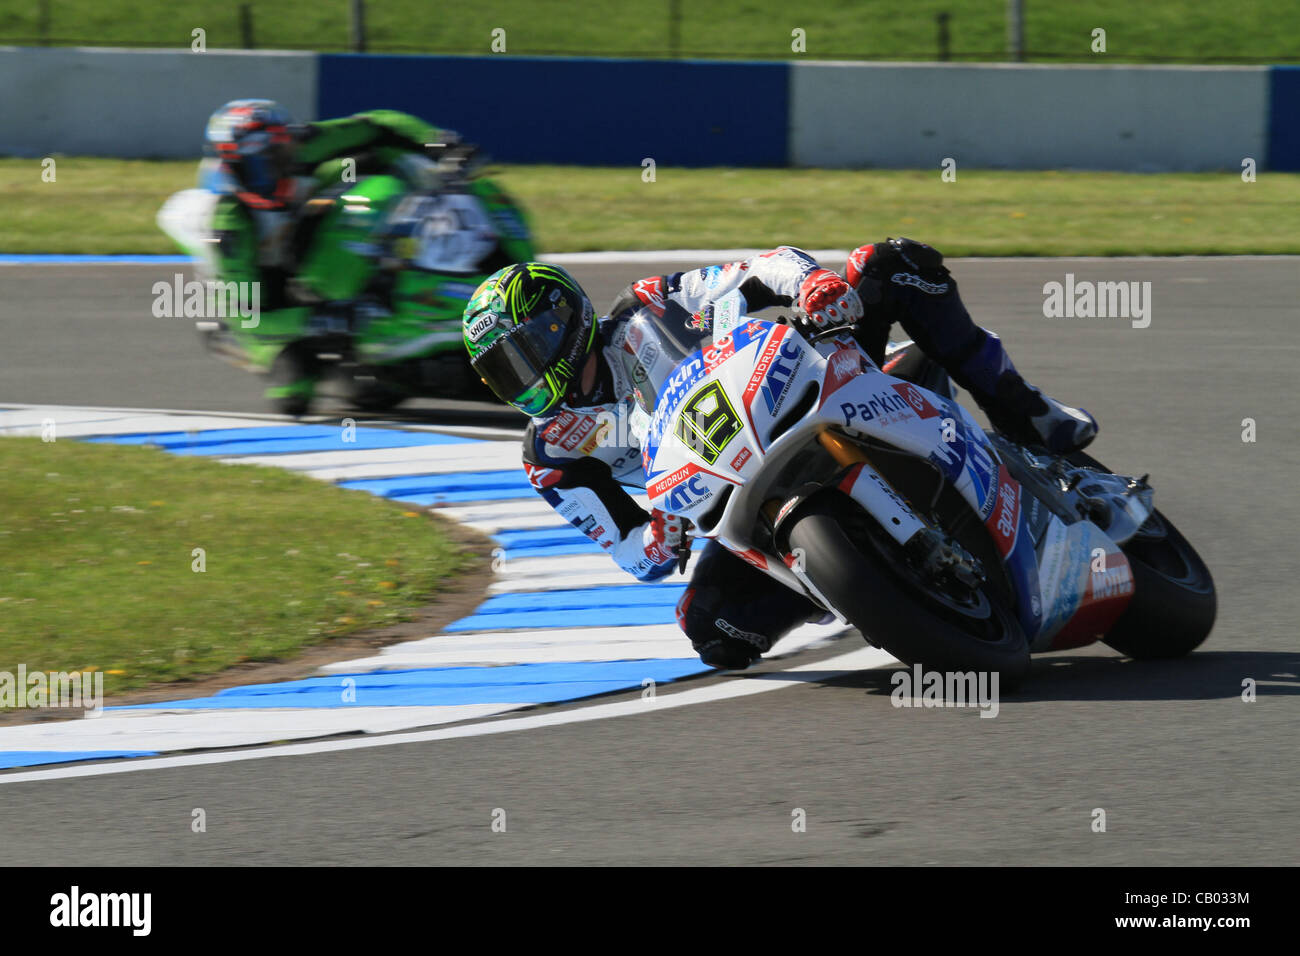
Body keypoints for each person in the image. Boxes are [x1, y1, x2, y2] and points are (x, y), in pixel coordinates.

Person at [462, 243, 1097, 669]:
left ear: (562, 324)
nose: (519, 380)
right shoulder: (550, 454)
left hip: (805, 389)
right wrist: (657, 539)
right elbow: (629, 551)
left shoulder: (648, 306)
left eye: (522, 356)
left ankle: (1026, 413)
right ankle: (859, 583)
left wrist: (814, 285)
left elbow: (761, 269)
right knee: (712, 629)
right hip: (731, 499)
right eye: (500, 373)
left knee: (888, 263)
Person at [201, 99, 469, 410]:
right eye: (259, 167)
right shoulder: (229, 228)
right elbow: (246, 317)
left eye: (280, 155)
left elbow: (376, 123)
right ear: (232, 171)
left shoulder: (306, 141)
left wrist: (437, 142)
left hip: (316, 244)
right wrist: (316, 319)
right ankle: (306, 358)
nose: (276, 172)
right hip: (270, 289)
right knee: (293, 394)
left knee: (380, 164)